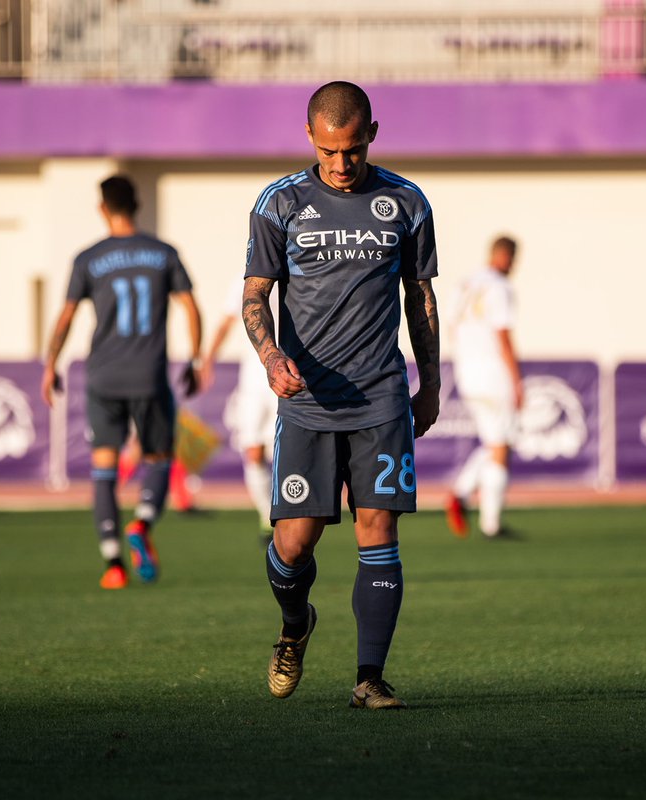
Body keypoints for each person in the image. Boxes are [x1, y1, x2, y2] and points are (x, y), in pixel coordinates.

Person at [242, 81, 441, 710]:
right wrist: (271, 356)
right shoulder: (279, 204)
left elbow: (421, 298)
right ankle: (295, 624)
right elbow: (254, 297)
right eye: (329, 152)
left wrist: (429, 381)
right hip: (308, 401)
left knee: (378, 529)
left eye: (351, 151)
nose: (340, 164)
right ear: (310, 137)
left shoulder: (406, 202)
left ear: (371, 135)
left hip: (381, 395)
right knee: (294, 544)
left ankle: (369, 678)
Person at [41, 175, 202, 589]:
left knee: (104, 469)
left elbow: (66, 317)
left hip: (104, 376)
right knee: (160, 456)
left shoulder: (88, 258)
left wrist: (50, 364)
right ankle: (143, 523)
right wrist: (196, 358)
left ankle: (113, 564)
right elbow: (189, 306)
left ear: (102, 208)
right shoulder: (163, 253)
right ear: (137, 205)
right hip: (149, 374)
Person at [445, 236, 521, 539]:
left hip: (468, 372)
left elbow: (450, 325)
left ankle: (460, 493)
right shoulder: (499, 287)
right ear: (507, 257)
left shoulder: (465, 284)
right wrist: (516, 378)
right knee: (501, 447)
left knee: (493, 442)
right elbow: (502, 334)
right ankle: (492, 523)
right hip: (493, 372)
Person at [201, 291, 280, 545]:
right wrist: (207, 360)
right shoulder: (246, 279)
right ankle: (267, 517)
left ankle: (288, 514)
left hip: (287, 376)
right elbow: (226, 321)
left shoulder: (302, 268)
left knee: (285, 451)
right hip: (254, 383)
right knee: (253, 452)